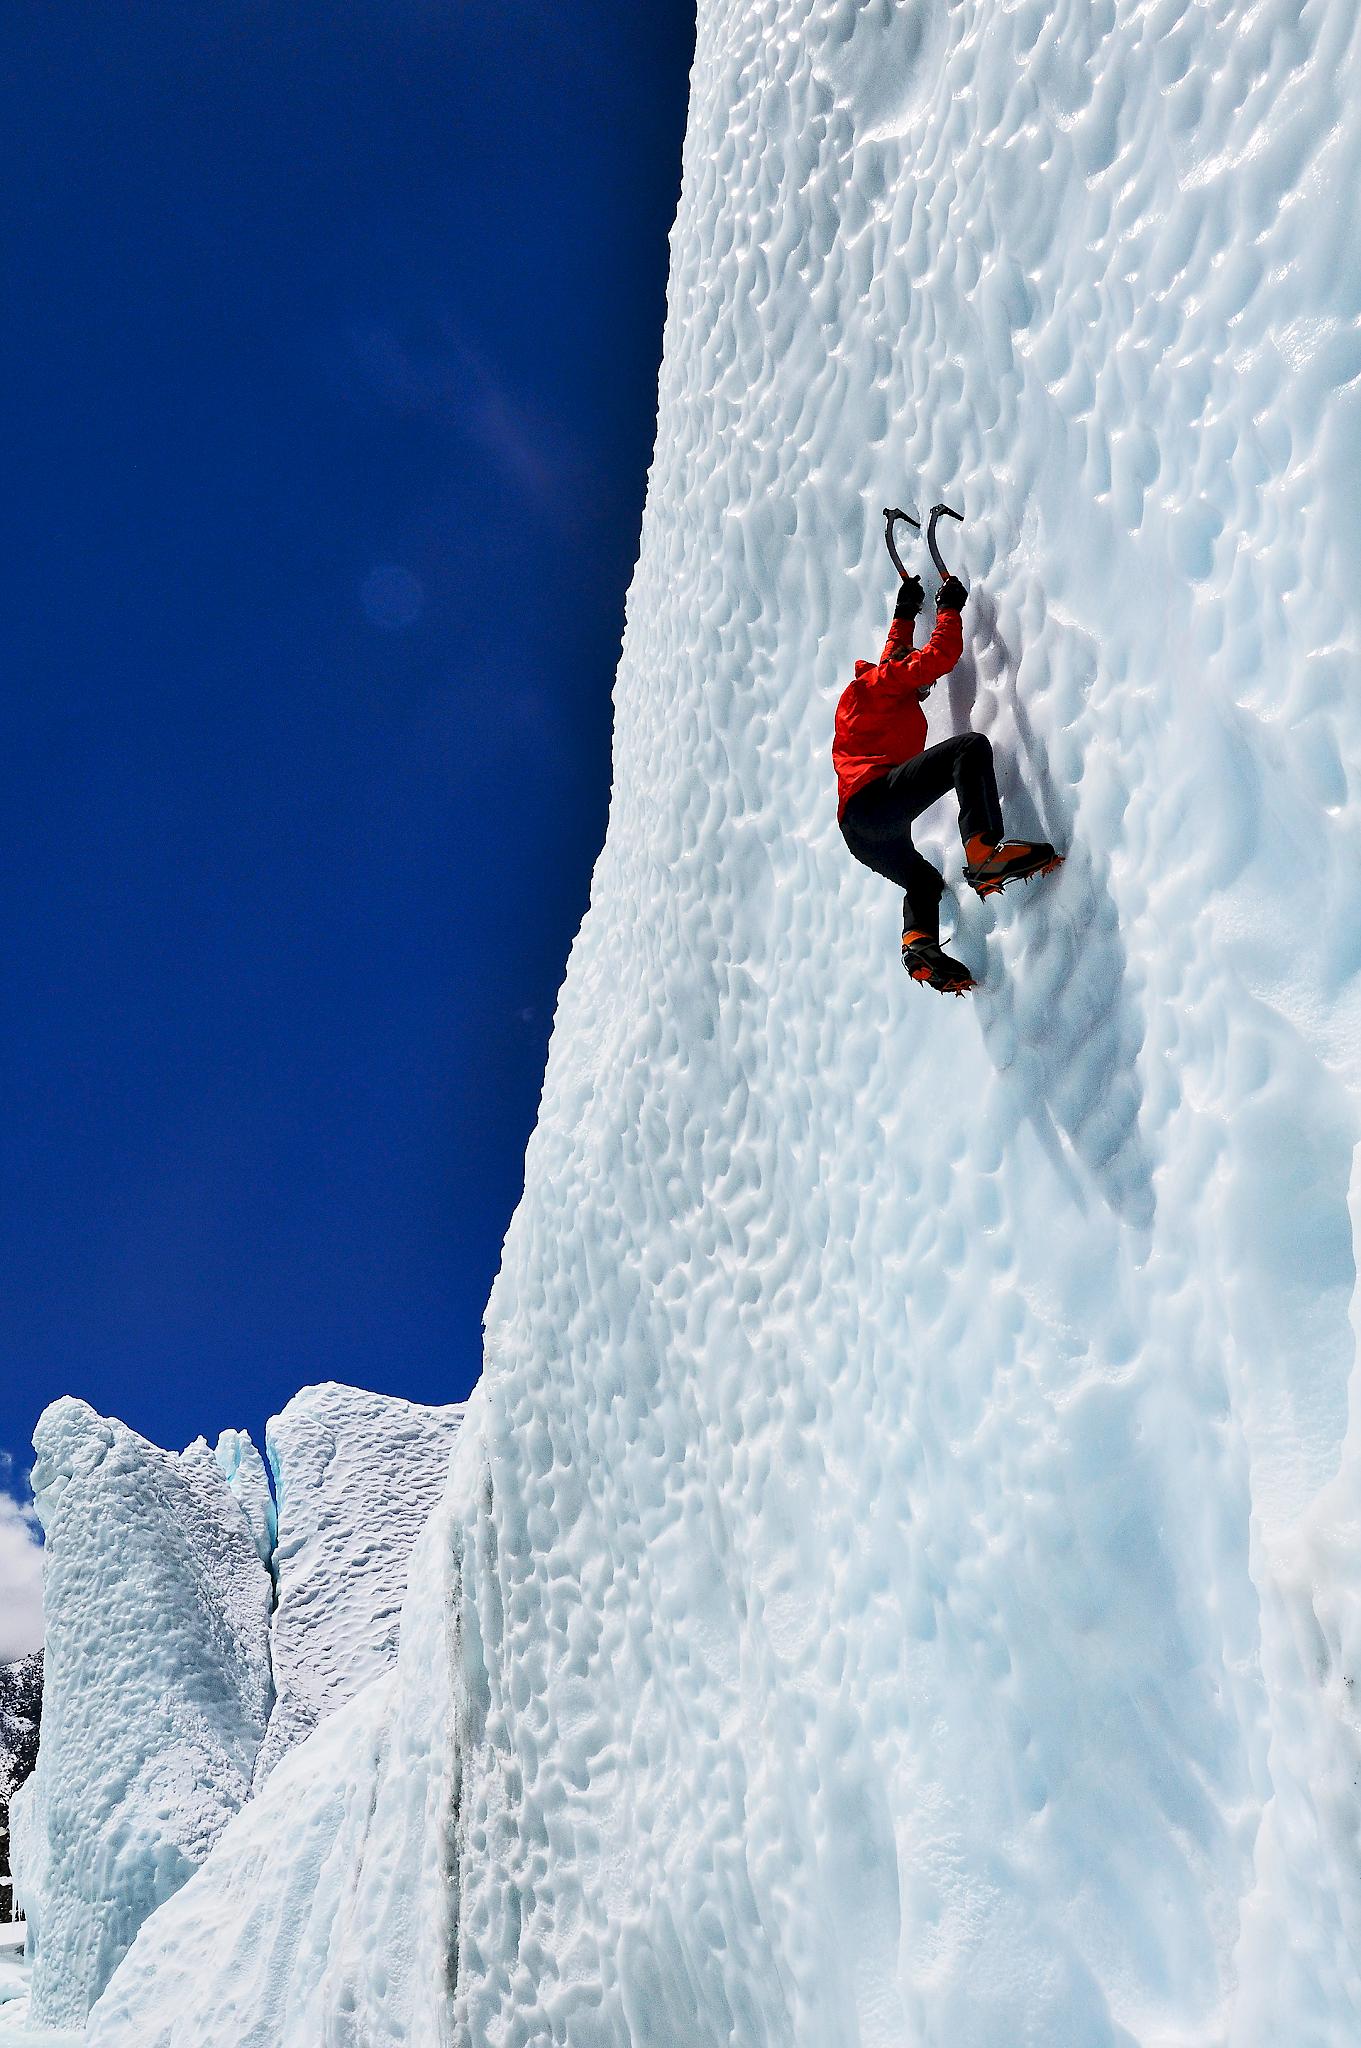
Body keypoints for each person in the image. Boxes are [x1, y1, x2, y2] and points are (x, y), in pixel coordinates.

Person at [833, 559, 1061, 994]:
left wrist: (904, 612)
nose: (924, 687)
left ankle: (918, 945)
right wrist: (949, 608)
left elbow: (894, 659)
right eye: (915, 679)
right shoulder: (883, 682)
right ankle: (983, 851)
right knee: (969, 749)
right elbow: (935, 657)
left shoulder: (869, 688)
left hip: (860, 833)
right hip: (873, 802)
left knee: (922, 881)